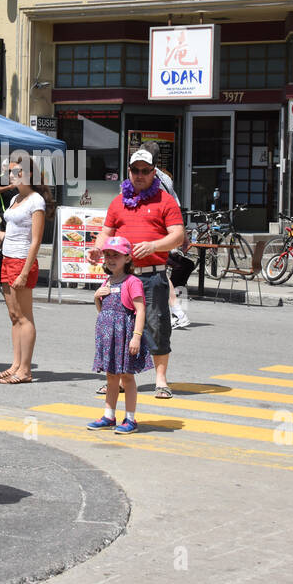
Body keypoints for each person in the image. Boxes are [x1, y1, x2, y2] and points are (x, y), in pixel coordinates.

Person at [87, 148, 184, 398]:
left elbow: (178, 235)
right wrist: (98, 249)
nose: (140, 175)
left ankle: (160, 380)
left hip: (152, 275)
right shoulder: (119, 201)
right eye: (135, 170)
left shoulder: (165, 201)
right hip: (122, 276)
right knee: (122, 327)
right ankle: (118, 379)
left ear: (154, 172)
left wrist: (154, 246)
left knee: (156, 325)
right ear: (129, 172)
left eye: (145, 170)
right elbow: (106, 233)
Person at [0, 157, 45, 384]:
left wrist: (25, 271)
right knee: (14, 316)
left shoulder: (36, 201)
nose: (11, 176)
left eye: (16, 172)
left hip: (22, 261)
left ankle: (25, 370)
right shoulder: (16, 198)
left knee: (25, 317)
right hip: (8, 258)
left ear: (29, 174)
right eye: (10, 172)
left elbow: (35, 241)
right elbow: (11, 234)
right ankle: (16, 364)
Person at [87, 237, 151, 434]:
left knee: (127, 377)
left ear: (127, 258)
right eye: (107, 255)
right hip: (108, 336)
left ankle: (130, 419)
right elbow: (102, 310)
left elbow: (140, 310)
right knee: (111, 377)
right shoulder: (107, 280)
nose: (111, 259)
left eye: (116, 255)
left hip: (125, 335)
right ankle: (109, 415)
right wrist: (97, 296)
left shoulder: (132, 282)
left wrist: (136, 337)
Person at [141, 140, 190, 330]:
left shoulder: (151, 179)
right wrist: (182, 235)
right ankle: (169, 313)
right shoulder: (166, 178)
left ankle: (177, 312)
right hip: (167, 232)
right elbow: (176, 207)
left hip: (155, 231)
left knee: (157, 272)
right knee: (157, 272)